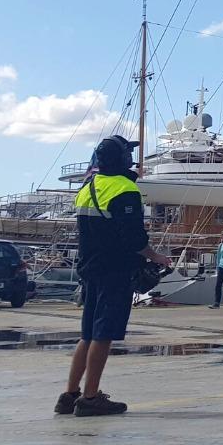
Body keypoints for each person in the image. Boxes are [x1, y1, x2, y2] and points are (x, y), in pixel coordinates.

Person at [55, 135, 170, 417]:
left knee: (88, 333)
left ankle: (70, 395)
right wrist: (156, 257)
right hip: (114, 271)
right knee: (104, 334)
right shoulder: (124, 189)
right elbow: (134, 239)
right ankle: (91, 397)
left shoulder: (87, 187)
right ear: (122, 160)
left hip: (89, 268)